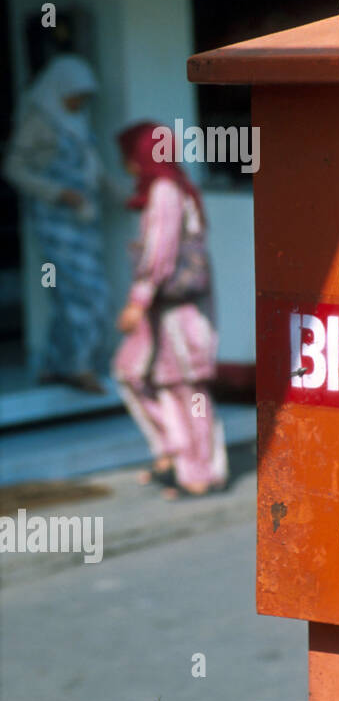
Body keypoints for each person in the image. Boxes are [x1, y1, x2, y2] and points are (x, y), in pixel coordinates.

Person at [112, 122, 228, 498]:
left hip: (180, 311)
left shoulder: (165, 190)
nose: (125, 164)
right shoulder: (173, 187)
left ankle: (199, 472)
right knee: (144, 375)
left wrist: (137, 300)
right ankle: (179, 460)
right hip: (171, 311)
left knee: (185, 387)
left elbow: (160, 254)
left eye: (128, 155)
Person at [2, 54, 112, 392]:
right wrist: (57, 192)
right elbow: (13, 168)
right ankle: (78, 366)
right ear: (59, 88)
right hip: (56, 221)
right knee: (90, 293)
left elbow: (96, 171)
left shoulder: (76, 120)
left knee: (68, 293)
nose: (79, 101)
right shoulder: (40, 120)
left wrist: (132, 194)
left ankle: (55, 365)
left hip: (84, 222)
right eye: (75, 94)